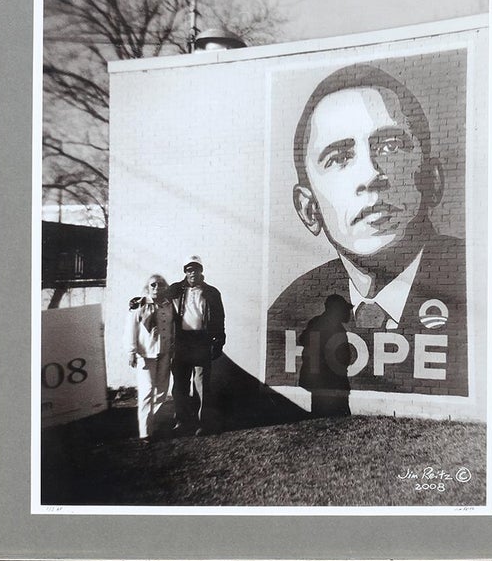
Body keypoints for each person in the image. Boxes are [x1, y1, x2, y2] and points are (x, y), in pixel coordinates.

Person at [267, 62, 468, 396]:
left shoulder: (473, 281)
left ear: (431, 180)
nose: (370, 175)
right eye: (337, 157)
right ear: (309, 208)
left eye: (390, 146)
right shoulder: (290, 311)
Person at [166, 256, 226, 436]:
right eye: (189, 269)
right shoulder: (175, 289)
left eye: (196, 269)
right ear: (185, 271)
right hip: (181, 342)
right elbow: (157, 299)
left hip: (202, 340)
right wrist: (137, 301)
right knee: (180, 384)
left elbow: (219, 318)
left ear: (201, 271)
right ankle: (182, 421)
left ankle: (203, 422)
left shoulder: (212, 292)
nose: (192, 273)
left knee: (201, 383)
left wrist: (219, 340)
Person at [125, 274, 175, 442]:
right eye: (153, 285)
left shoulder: (168, 305)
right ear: (147, 287)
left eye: (160, 285)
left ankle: (155, 424)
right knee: (147, 391)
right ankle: (145, 432)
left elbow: (172, 327)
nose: (156, 288)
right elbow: (130, 329)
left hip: (165, 353)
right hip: (146, 354)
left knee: (161, 391)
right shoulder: (139, 305)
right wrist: (131, 351)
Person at [298, 294, 353, 417]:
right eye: (344, 309)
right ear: (336, 309)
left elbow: (303, 340)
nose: (347, 313)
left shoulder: (317, 322)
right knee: (334, 414)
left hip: (323, 377)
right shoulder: (332, 326)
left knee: (322, 413)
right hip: (330, 378)